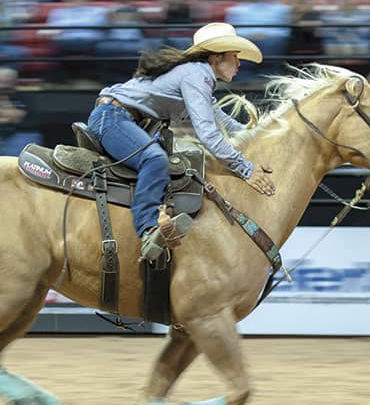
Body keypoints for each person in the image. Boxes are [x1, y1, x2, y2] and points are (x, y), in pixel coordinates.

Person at [87, 22, 276, 262]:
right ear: (217, 57)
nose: (239, 64)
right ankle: (147, 230)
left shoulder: (196, 75)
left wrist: (262, 139)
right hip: (113, 118)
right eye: (235, 56)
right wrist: (245, 168)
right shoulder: (198, 75)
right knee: (155, 159)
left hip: (117, 118)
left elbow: (225, 124)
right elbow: (208, 134)